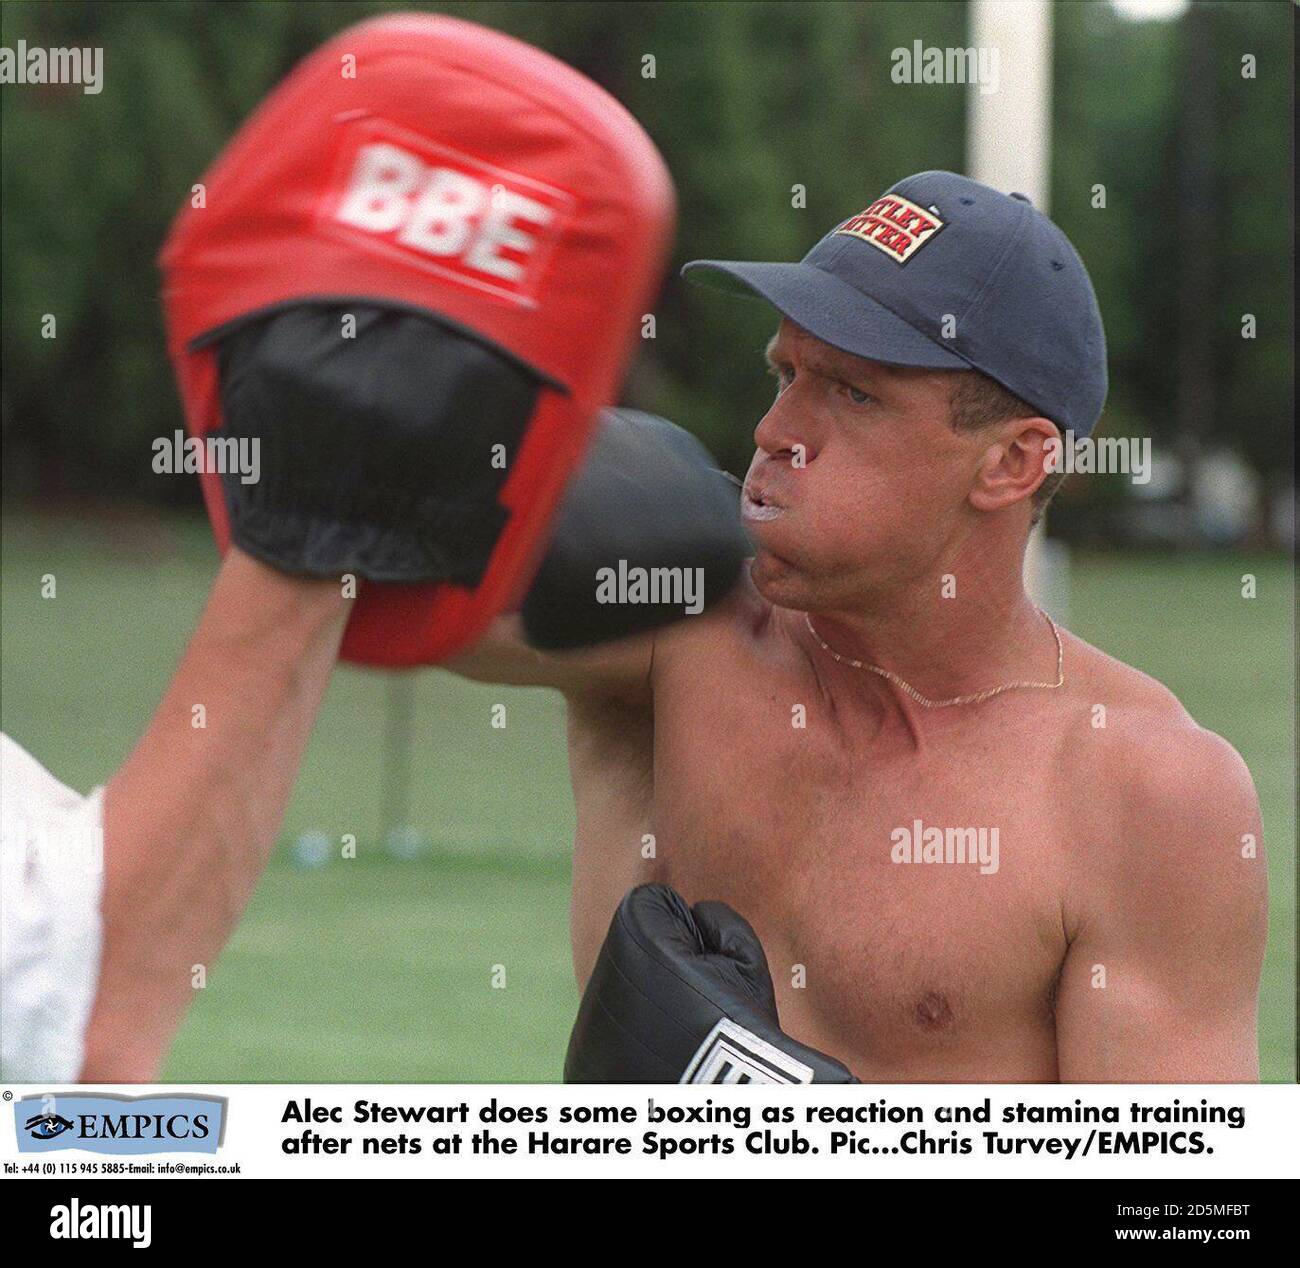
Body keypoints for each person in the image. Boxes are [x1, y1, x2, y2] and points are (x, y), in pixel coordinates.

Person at [454, 172, 1269, 1083]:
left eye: (852, 394)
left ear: (1011, 461)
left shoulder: (1147, 793)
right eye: (785, 374)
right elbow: (353, 577)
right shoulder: (673, 625)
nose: (774, 430)